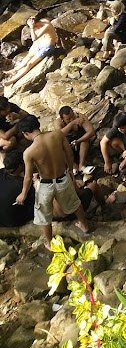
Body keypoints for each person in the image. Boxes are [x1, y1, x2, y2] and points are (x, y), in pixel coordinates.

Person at [14, 115, 89, 247]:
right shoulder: (58, 135)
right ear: (38, 125)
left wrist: (23, 194)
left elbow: (27, 176)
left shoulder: (29, 152)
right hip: (63, 178)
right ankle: (84, 226)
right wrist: (71, 171)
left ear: (25, 133)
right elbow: (69, 154)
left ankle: (49, 243)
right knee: (75, 203)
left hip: (46, 185)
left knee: (44, 216)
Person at [2, 15, 59, 88]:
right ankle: (15, 70)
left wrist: (32, 27)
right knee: (28, 56)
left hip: (48, 47)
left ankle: (12, 81)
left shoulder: (46, 25)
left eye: (34, 26)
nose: (34, 29)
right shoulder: (39, 23)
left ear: (35, 24)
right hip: (41, 43)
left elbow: (34, 38)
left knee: (29, 64)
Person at [55, 106, 96, 174]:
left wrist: (78, 141)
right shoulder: (58, 122)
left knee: (85, 140)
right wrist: (72, 123)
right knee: (59, 145)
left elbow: (91, 131)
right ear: (62, 119)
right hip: (67, 143)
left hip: (80, 140)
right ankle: (74, 166)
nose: (71, 119)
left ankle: (81, 165)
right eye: (68, 119)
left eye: (72, 117)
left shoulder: (80, 117)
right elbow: (59, 135)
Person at [0, 150, 35, 226]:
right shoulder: (23, 185)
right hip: (13, 221)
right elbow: (32, 208)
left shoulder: (1, 172)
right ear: (20, 166)